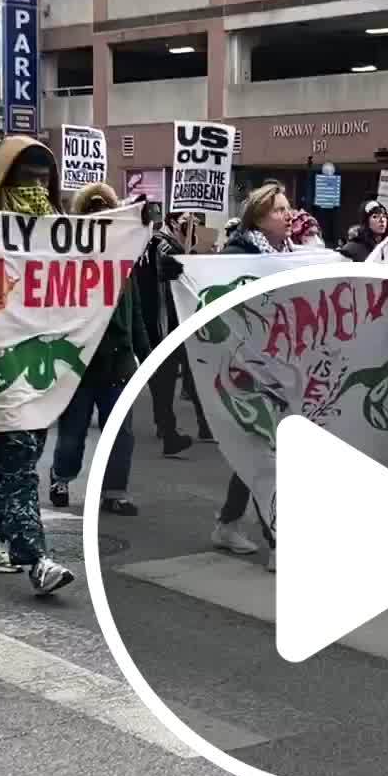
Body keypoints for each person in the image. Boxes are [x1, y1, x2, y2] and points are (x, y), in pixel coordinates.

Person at [0, 137, 74, 593]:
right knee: (20, 461)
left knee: (18, 458)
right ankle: (35, 558)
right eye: (25, 177)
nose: (35, 186)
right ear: (6, 179)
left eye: (42, 177)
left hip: (42, 364)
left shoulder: (61, 231)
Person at [49, 183, 152, 516]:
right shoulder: (68, 259)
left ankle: (114, 491)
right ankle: (61, 476)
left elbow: (135, 310)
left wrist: (145, 353)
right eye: (91, 212)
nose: (98, 218)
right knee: (72, 432)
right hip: (79, 361)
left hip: (118, 359)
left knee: (119, 431)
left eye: (104, 211)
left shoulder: (124, 259)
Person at [211, 182, 294, 564]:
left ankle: (227, 523)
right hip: (244, 368)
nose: (287, 214)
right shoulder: (236, 255)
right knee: (266, 455)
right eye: (278, 209)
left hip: (283, 366)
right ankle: (279, 539)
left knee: (259, 453)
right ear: (259, 218)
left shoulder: (292, 255)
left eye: (288, 207)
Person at [134, 210, 197, 455]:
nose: (191, 227)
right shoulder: (161, 244)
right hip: (161, 322)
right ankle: (168, 430)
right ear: (172, 222)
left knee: (163, 377)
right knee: (165, 376)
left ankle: (165, 426)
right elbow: (167, 270)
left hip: (159, 321)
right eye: (186, 223)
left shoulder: (153, 243)